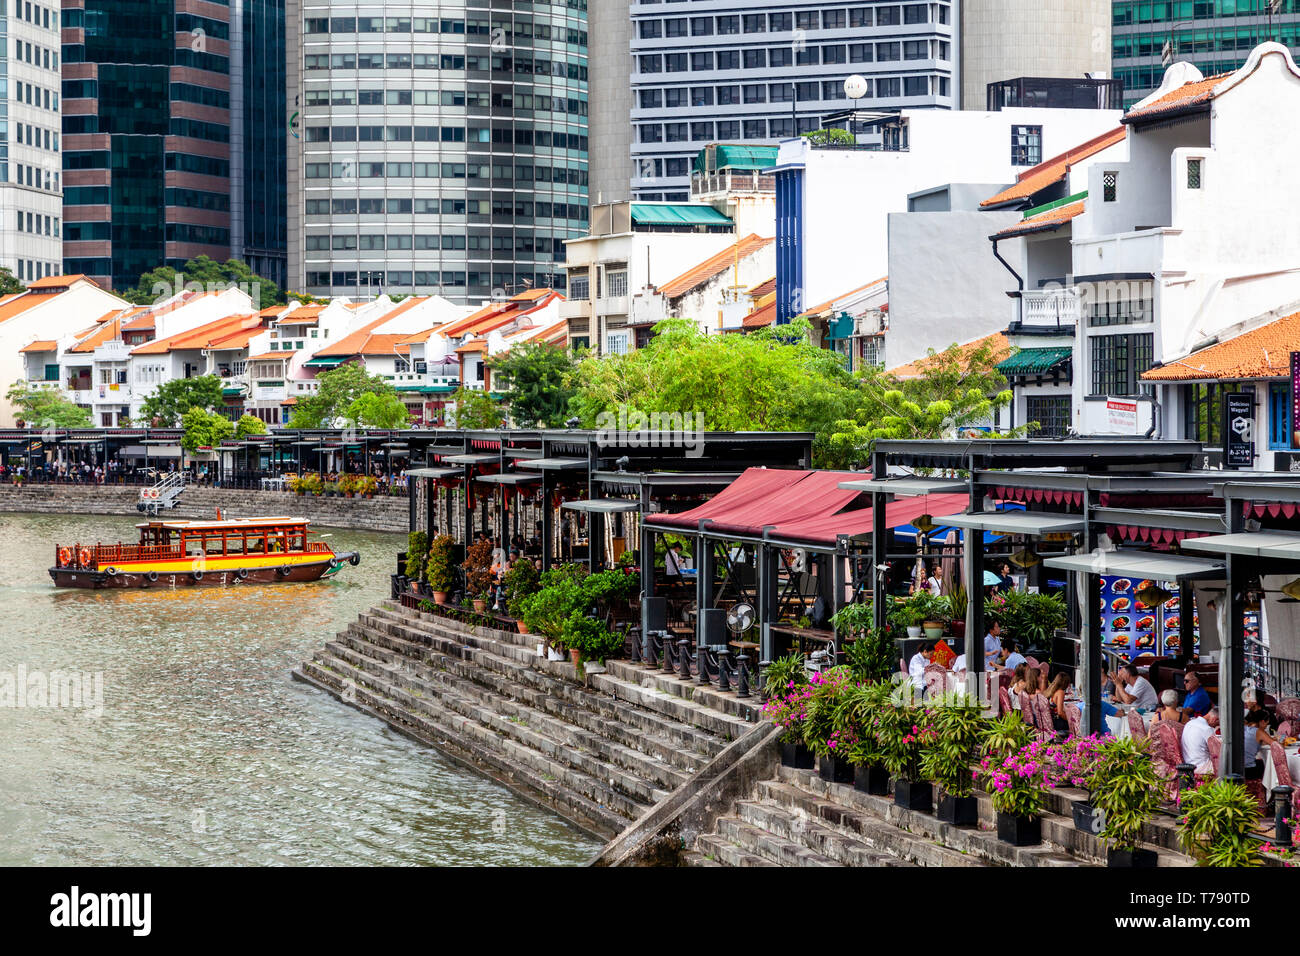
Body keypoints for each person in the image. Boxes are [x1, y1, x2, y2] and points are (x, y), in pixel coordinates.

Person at [1244, 709, 1277, 780]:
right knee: (1267, 766)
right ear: (1262, 721)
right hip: (1248, 770)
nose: (1266, 727)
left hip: (1237, 767)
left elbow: (1253, 741)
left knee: (1260, 762)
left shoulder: (1245, 728)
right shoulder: (1259, 731)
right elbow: (1277, 746)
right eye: (1266, 724)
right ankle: (1269, 787)